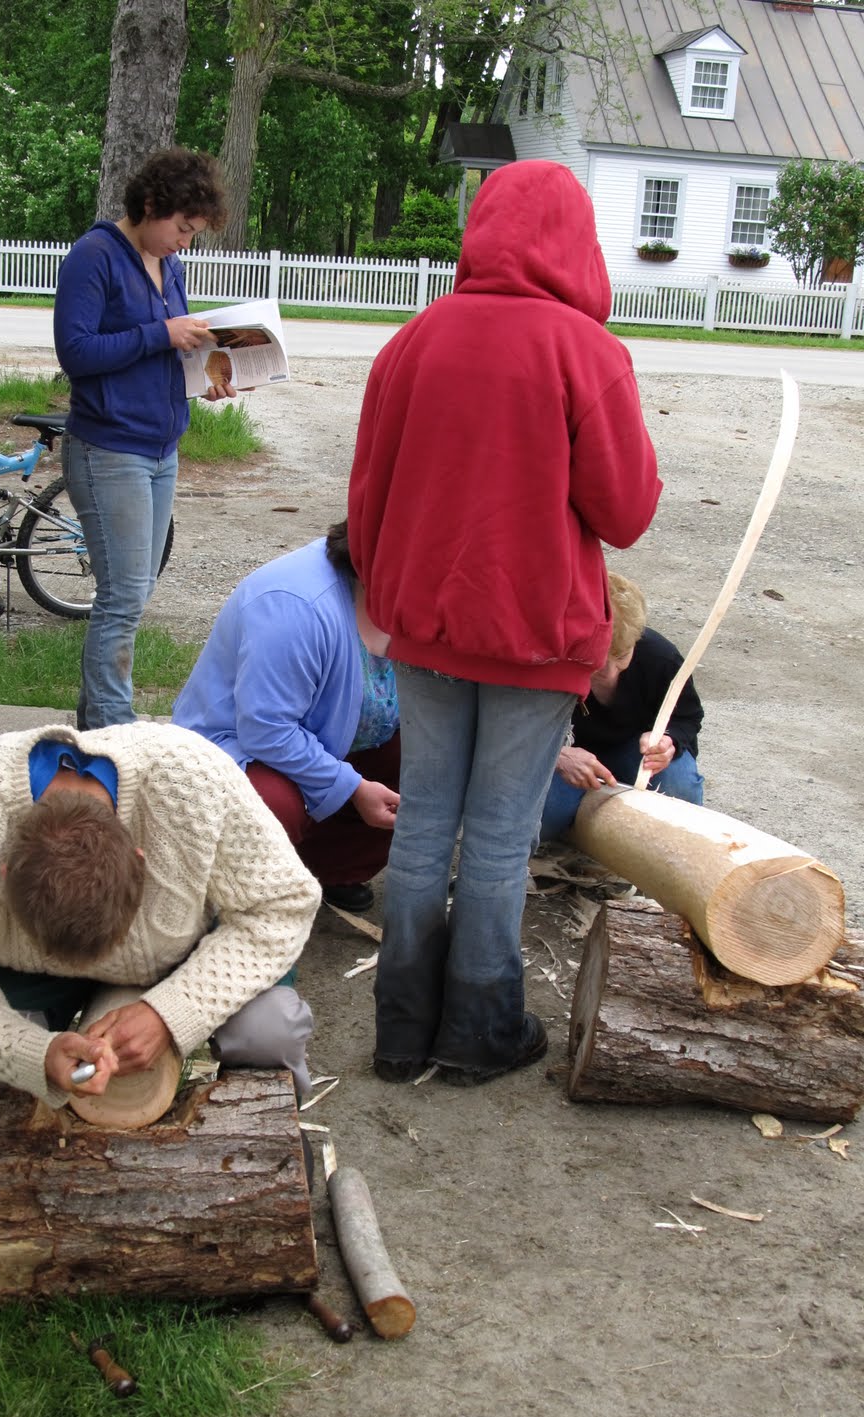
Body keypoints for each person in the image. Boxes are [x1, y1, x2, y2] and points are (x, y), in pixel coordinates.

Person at [347, 159, 662, 1088]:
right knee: (495, 834)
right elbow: (626, 511)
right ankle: (480, 1027)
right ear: (577, 240)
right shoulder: (587, 350)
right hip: (534, 630)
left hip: (427, 626)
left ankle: (403, 1028)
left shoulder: (415, 340)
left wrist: (387, 592)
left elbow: (369, 495)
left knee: (426, 822)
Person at [0, 722, 322, 1108]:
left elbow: (284, 904)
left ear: (141, 858)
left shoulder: (194, 781)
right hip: (36, 973)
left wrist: (172, 1013)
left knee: (269, 1032)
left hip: (182, 950)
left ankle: (266, 1136)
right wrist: (32, 1052)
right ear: (2, 872)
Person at [54, 148, 230, 731]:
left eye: (194, 233)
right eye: (182, 227)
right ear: (151, 205)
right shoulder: (95, 255)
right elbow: (76, 354)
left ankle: (95, 730)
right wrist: (160, 333)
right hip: (109, 449)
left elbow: (162, 351)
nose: (185, 241)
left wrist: (203, 375)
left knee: (133, 593)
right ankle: (113, 733)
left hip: (160, 450)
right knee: (124, 596)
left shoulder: (167, 265)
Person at [172, 520, 400, 913]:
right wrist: (352, 787)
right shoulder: (295, 604)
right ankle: (240, 902)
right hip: (238, 746)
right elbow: (266, 730)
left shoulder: (409, 589)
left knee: (420, 756)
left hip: (333, 735)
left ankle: (327, 871)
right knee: (271, 802)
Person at [539, 572, 704, 840]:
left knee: (680, 788)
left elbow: (687, 717)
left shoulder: (659, 657)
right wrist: (558, 755)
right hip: (564, 757)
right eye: (598, 661)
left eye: (622, 656)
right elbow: (511, 732)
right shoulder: (548, 658)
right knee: (543, 816)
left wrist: (668, 740)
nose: (611, 673)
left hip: (632, 752)